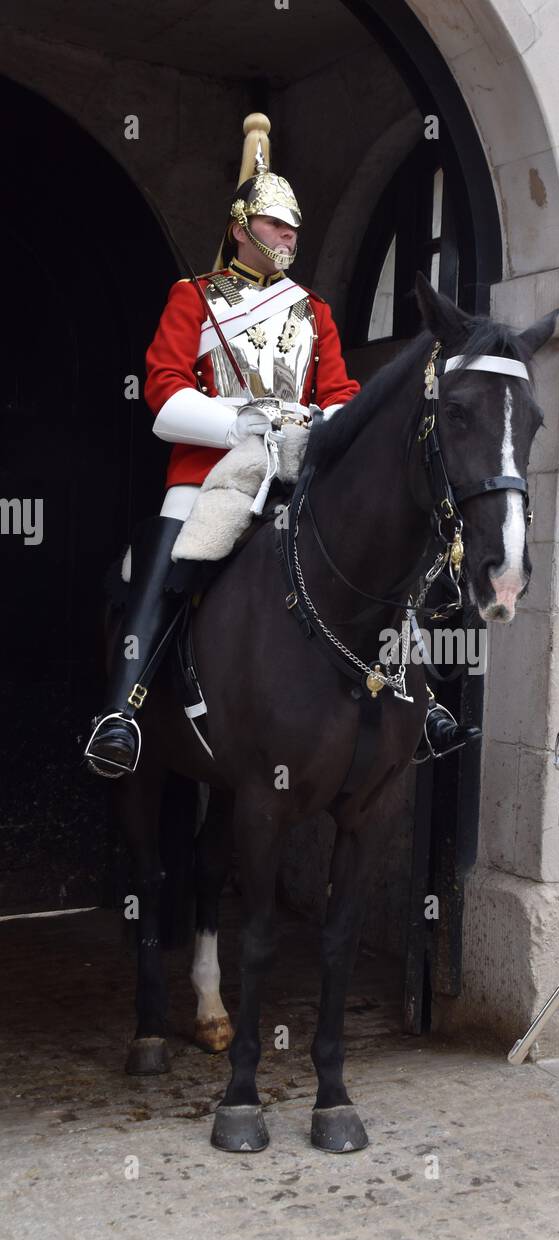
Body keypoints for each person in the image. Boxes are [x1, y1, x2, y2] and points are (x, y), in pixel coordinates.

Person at [84, 114, 478, 777]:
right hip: (213, 469)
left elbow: (343, 392)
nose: (290, 233)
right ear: (240, 228)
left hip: (300, 464)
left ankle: (422, 695)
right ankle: (122, 710)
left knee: (371, 552)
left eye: (295, 225)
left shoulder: (314, 311)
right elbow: (165, 392)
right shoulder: (194, 300)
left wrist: (322, 422)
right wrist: (239, 424)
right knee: (175, 546)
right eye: (275, 223)